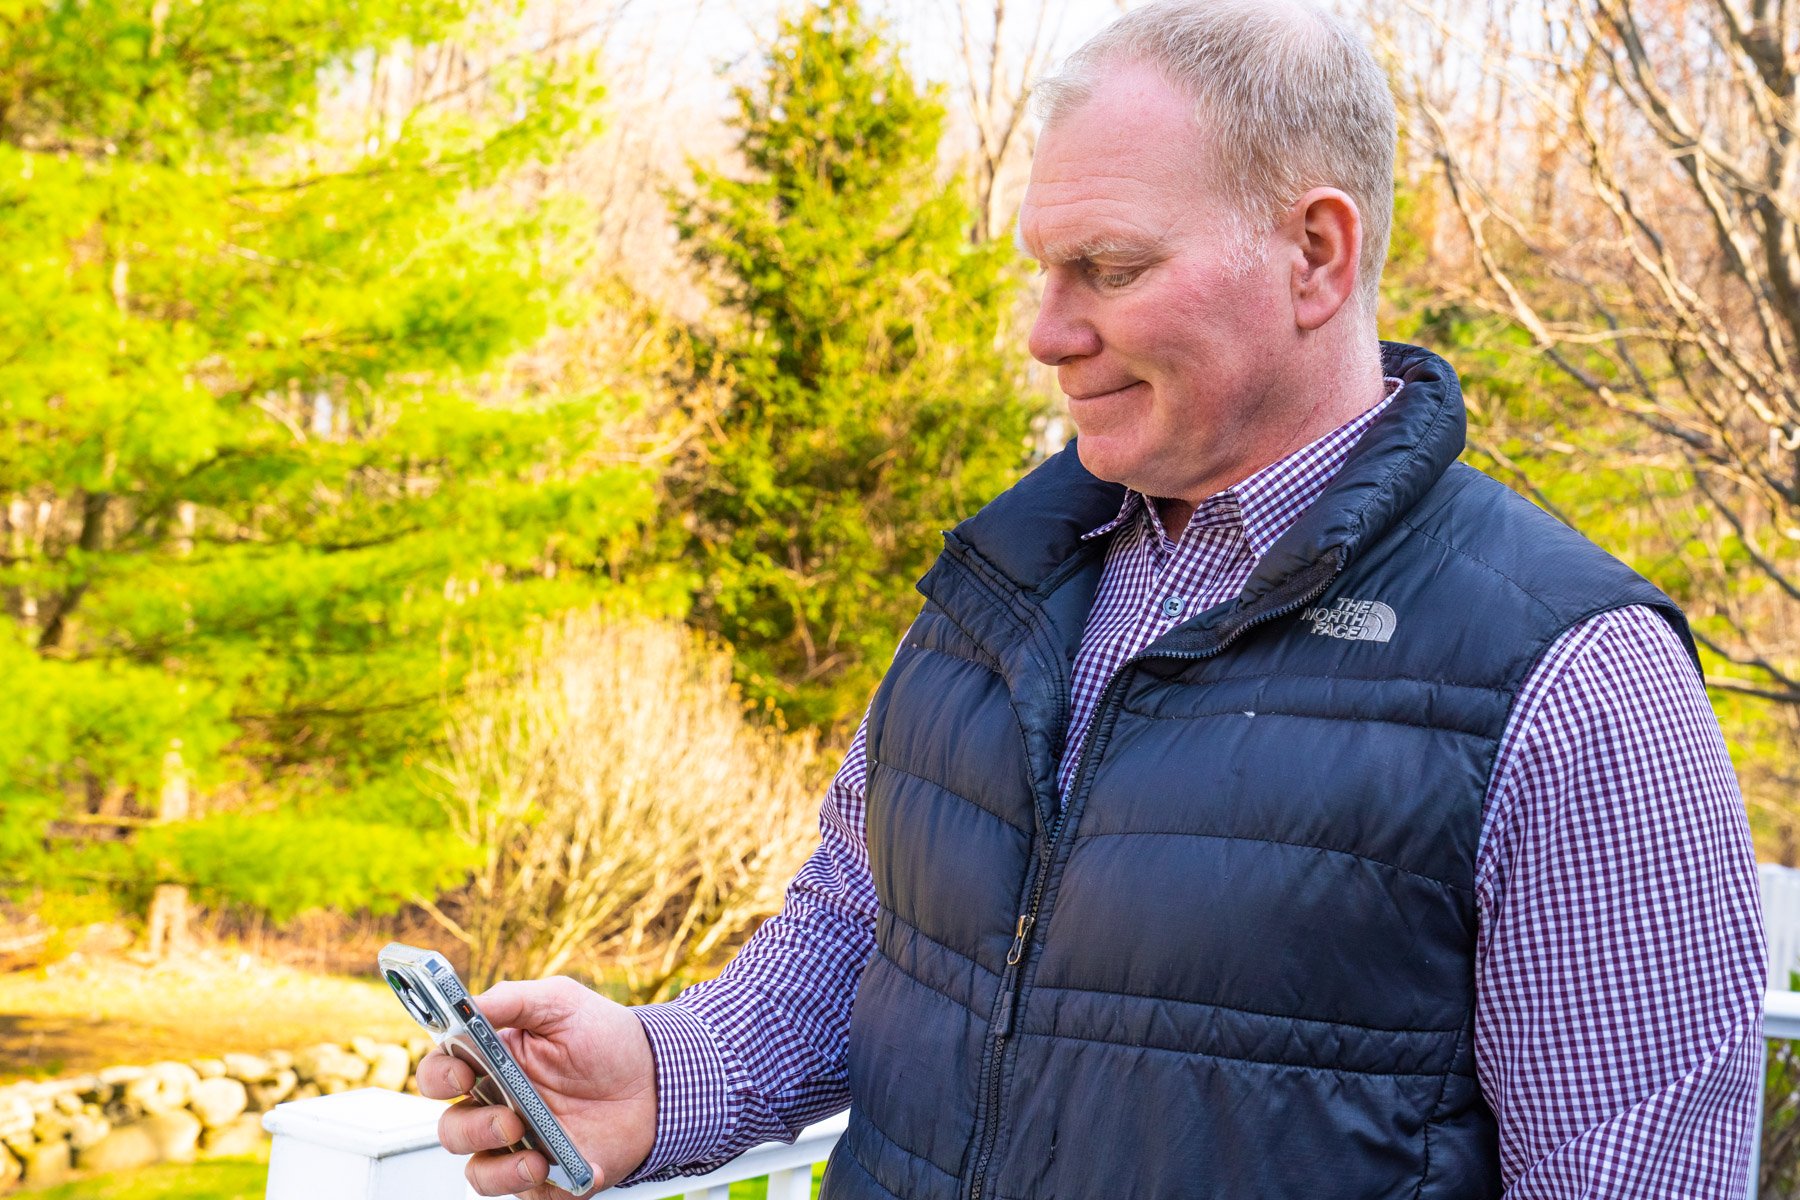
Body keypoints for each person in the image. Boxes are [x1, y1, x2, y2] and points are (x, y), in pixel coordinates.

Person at [419, 1, 1767, 1195]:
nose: (1045, 330)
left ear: (1316, 254)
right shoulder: (996, 592)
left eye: (1108, 271)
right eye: (1042, 268)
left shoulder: (1575, 679)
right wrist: (663, 1071)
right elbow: (860, 935)